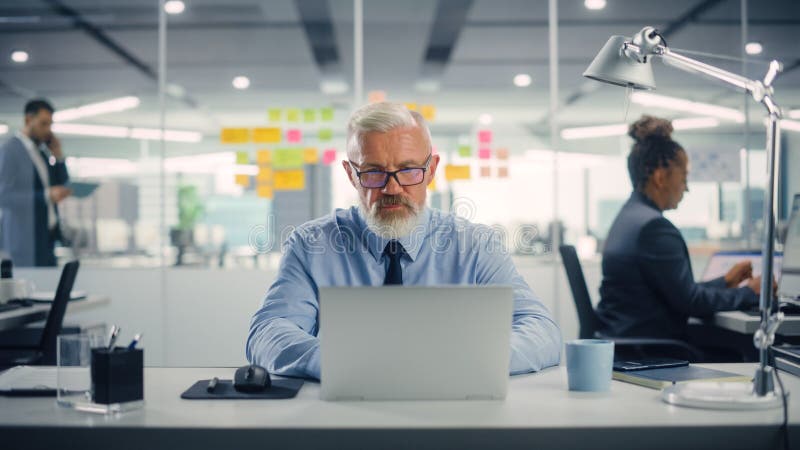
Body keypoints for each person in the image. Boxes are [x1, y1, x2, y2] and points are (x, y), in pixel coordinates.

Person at [246, 102, 561, 379]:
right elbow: (268, 333)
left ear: (432, 169)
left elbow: (541, 330)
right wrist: (345, 363)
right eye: (373, 173)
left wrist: (469, 362)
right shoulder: (310, 245)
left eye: (409, 170)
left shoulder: (477, 246)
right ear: (350, 174)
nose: (392, 188)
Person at [596, 115, 762, 343]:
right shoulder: (654, 229)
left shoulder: (629, 218)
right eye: (683, 177)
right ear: (661, 177)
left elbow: (679, 292)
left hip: (628, 341)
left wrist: (725, 282)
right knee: (747, 348)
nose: (687, 188)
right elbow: (690, 302)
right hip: (651, 350)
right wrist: (749, 292)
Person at [0, 99, 71, 267]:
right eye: (43, 124)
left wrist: (58, 155)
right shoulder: (11, 150)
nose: (47, 131)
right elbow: (4, 196)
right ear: (28, 120)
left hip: (47, 239)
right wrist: (46, 195)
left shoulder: (41, 154)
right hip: (25, 241)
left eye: (50, 125)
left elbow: (63, 182)